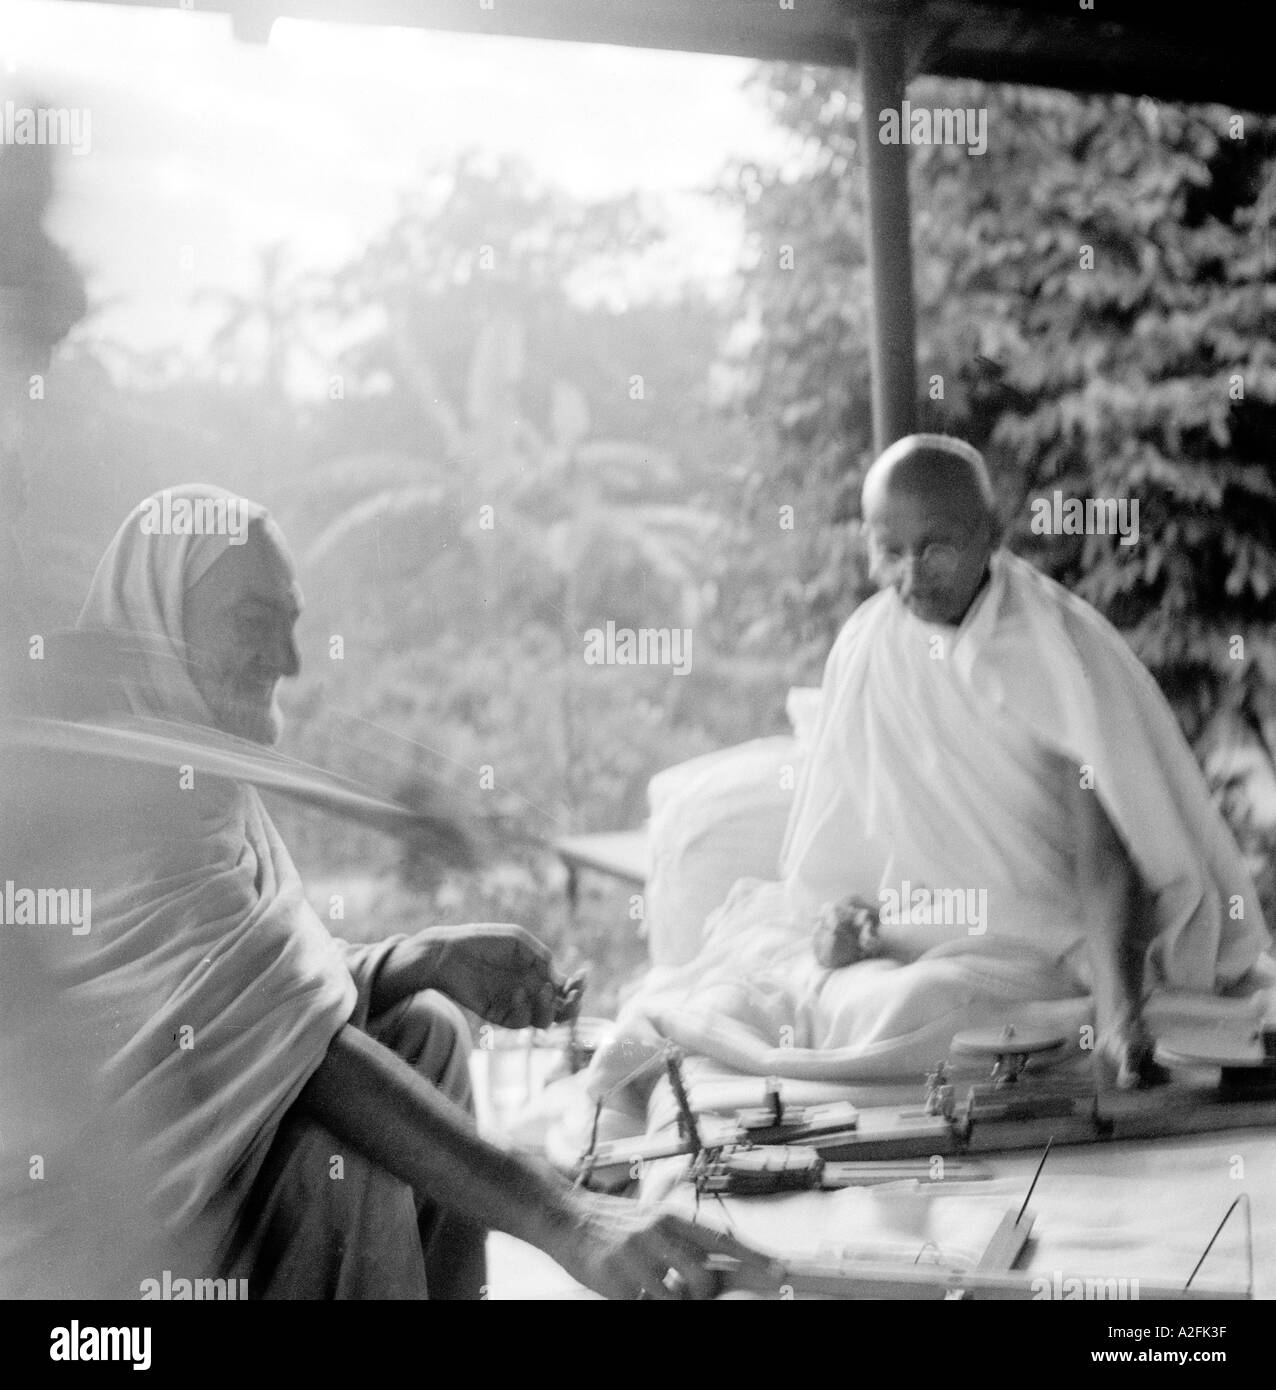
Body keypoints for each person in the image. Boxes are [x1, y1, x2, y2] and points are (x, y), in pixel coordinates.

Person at [0, 484, 763, 1300]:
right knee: (337, 1166)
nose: (288, 661)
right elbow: (283, 1036)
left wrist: (423, 956)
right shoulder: (124, 796)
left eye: (291, 624)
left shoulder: (200, 773)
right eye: (253, 622)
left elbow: (249, 989)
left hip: (199, 1167)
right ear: (157, 618)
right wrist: (564, 1218)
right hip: (108, 1251)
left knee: (425, 1031)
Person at [588, 435, 1271, 1116]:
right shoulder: (866, 646)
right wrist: (842, 923)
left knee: (918, 1008)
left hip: (1037, 947)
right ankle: (651, 1083)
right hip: (909, 938)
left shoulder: (1056, 651)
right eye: (890, 551)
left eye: (937, 548)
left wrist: (1122, 1010)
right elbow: (844, 859)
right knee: (746, 988)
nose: (912, 576)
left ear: (991, 535)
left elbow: (1106, 854)